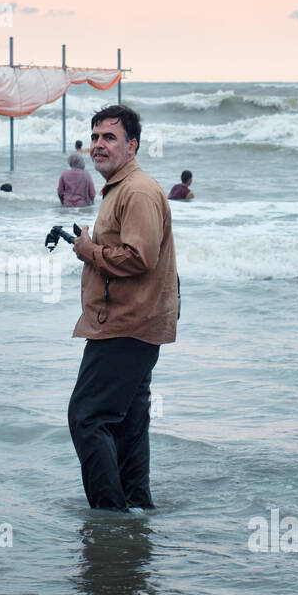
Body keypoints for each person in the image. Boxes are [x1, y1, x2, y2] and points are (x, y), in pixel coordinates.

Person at [67, 105, 178, 512]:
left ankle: (110, 517)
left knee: (87, 417)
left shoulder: (137, 191)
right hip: (133, 321)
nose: (99, 145)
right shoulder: (122, 188)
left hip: (127, 324)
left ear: (131, 146)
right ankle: (136, 510)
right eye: (95, 137)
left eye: (109, 138)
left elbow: (140, 256)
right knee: (128, 423)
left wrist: (88, 251)